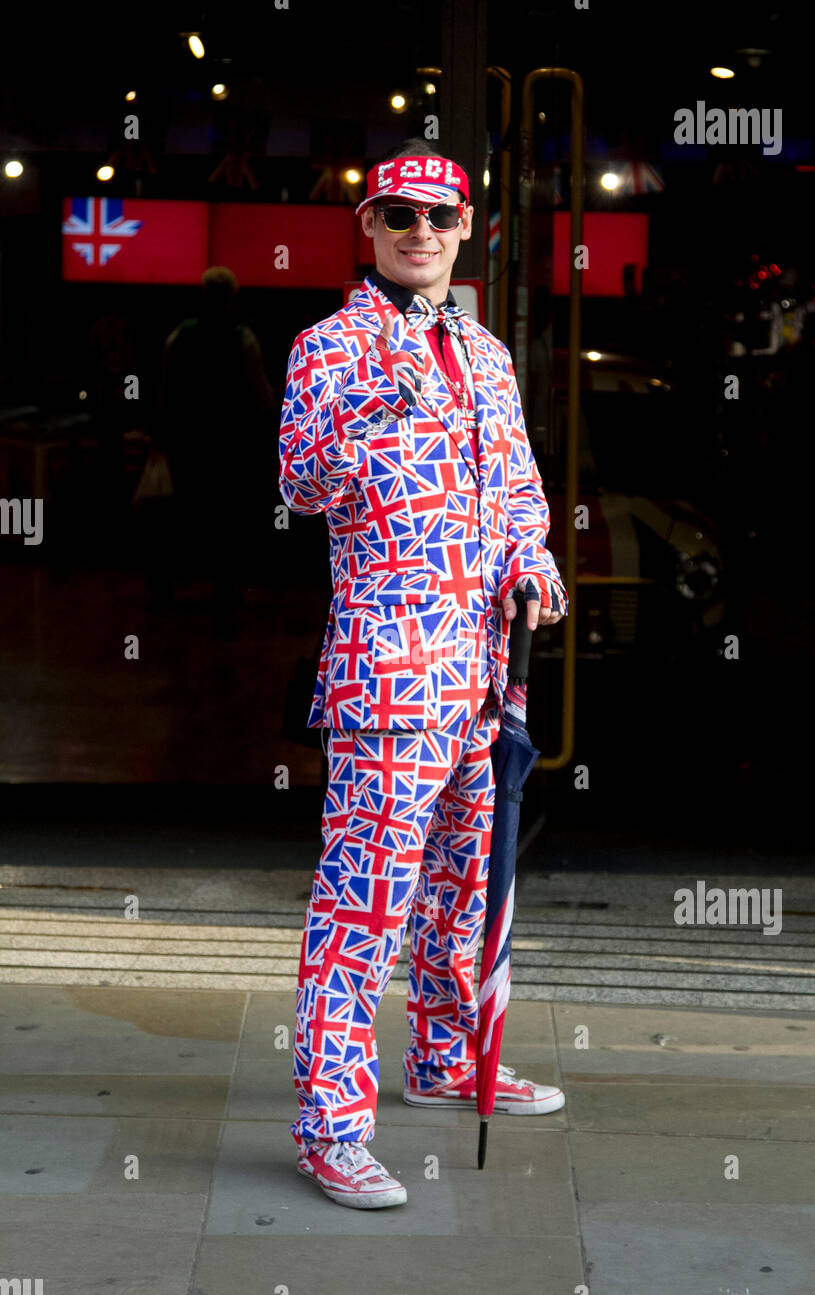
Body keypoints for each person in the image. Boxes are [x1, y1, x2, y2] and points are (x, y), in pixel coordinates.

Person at [278, 138, 568, 1209]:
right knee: (362, 905)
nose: (418, 233)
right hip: (387, 669)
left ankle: (447, 1058)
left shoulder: (488, 355)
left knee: (460, 885)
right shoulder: (332, 345)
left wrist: (533, 561)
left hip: (484, 669)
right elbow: (300, 483)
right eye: (397, 215)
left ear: (465, 230)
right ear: (368, 226)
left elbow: (519, 489)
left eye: (437, 218)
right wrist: (378, 404)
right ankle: (330, 1127)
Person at [155, 266, 277, 628]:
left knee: (185, 511)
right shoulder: (243, 338)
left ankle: (168, 585)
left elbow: (166, 391)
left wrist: (160, 435)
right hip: (229, 443)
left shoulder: (179, 336)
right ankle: (223, 588)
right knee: (226, 515)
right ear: (232, 297)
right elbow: (262, 396)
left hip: (187, 440)